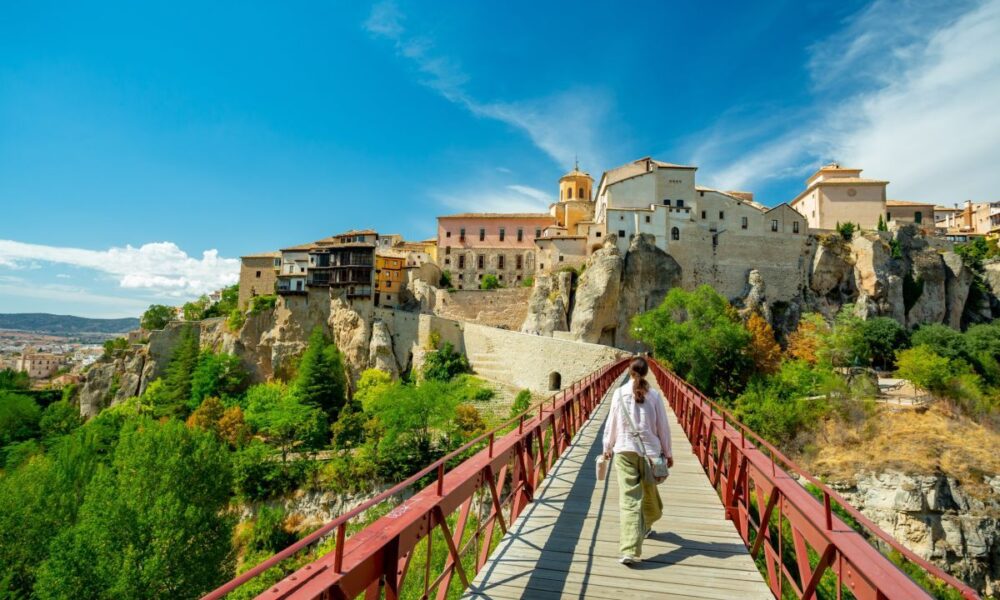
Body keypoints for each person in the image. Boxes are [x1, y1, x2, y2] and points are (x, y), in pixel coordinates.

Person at [602, 356, 673, 565]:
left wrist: (607, 447)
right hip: (650, 454)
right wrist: (668, 452)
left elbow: (612, 423)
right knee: (638, 497)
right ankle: (630, 549)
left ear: (629, 371)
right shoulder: (654, 396)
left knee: (637, 500)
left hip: (625, 451)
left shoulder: (619, 393)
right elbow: (663, 427)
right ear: (646, 372)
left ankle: (644, 525)